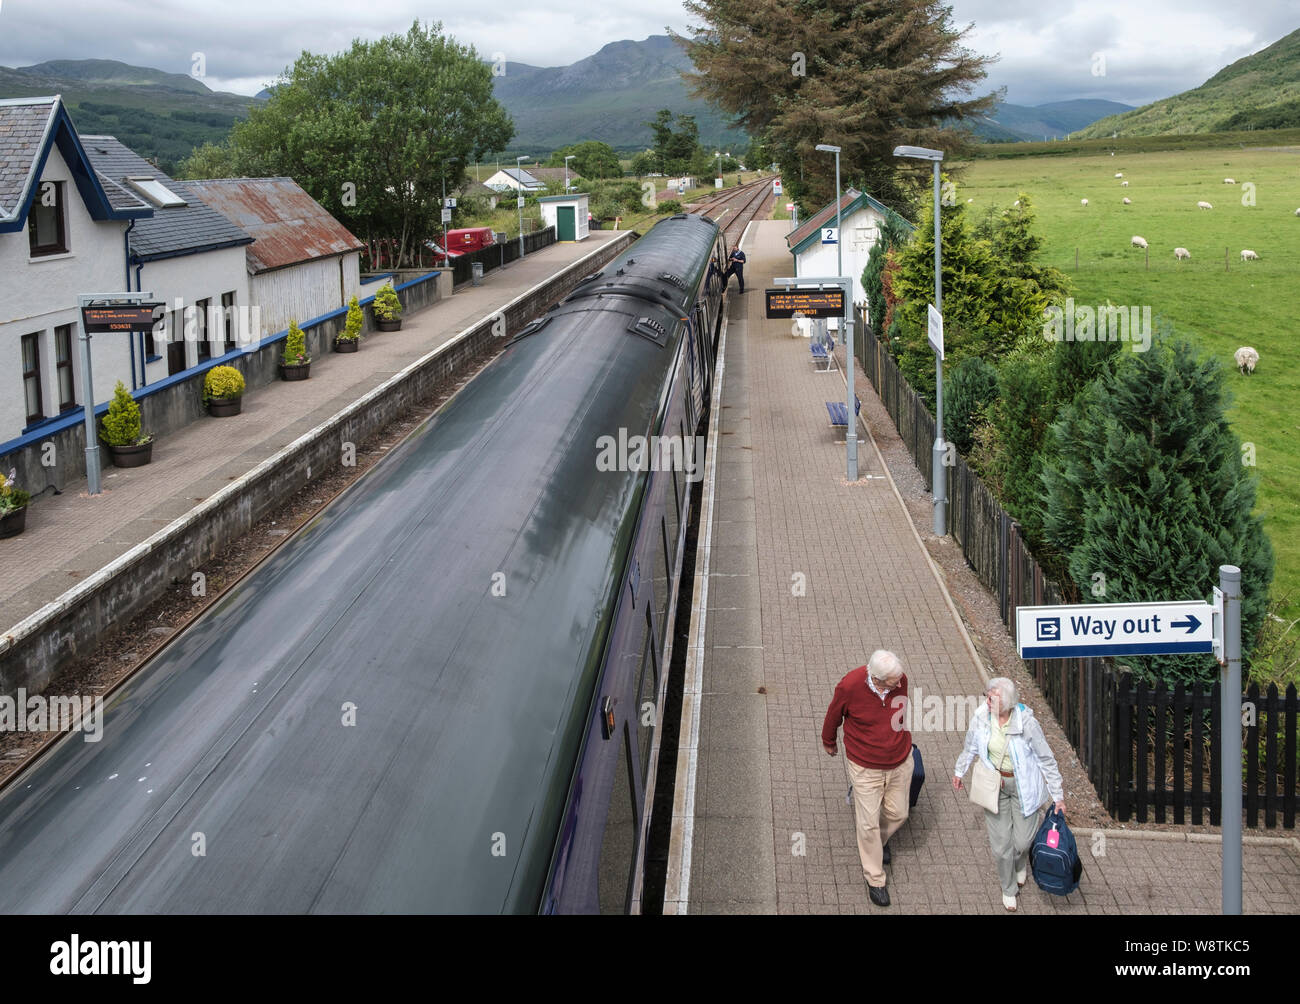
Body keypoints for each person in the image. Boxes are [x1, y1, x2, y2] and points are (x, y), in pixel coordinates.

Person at [952, 677, 1066, 912]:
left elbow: (1046, 759)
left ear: (1008, 701)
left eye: (994, 697)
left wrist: (1058, 795)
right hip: (995, 786)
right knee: (1001, 846)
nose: (988, 700)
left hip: (1024, 787)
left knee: (1022, 841)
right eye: (987, 695)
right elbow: (971, 744)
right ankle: (1008, 888)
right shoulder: (982, 716)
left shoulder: (1027, 724)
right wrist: (959, 770)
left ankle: (1020, 862)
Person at [821, 650, 912, 907]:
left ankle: (876, 843)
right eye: (894, 681)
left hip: (900, 761)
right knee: (868, 823)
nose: (900, 682)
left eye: (898, 678)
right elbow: (833, 716)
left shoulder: (900, 680)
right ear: (877, 678)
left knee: (898, 813)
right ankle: (875, 878)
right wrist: (829, 741)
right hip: (865, 766)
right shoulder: (849, 686)